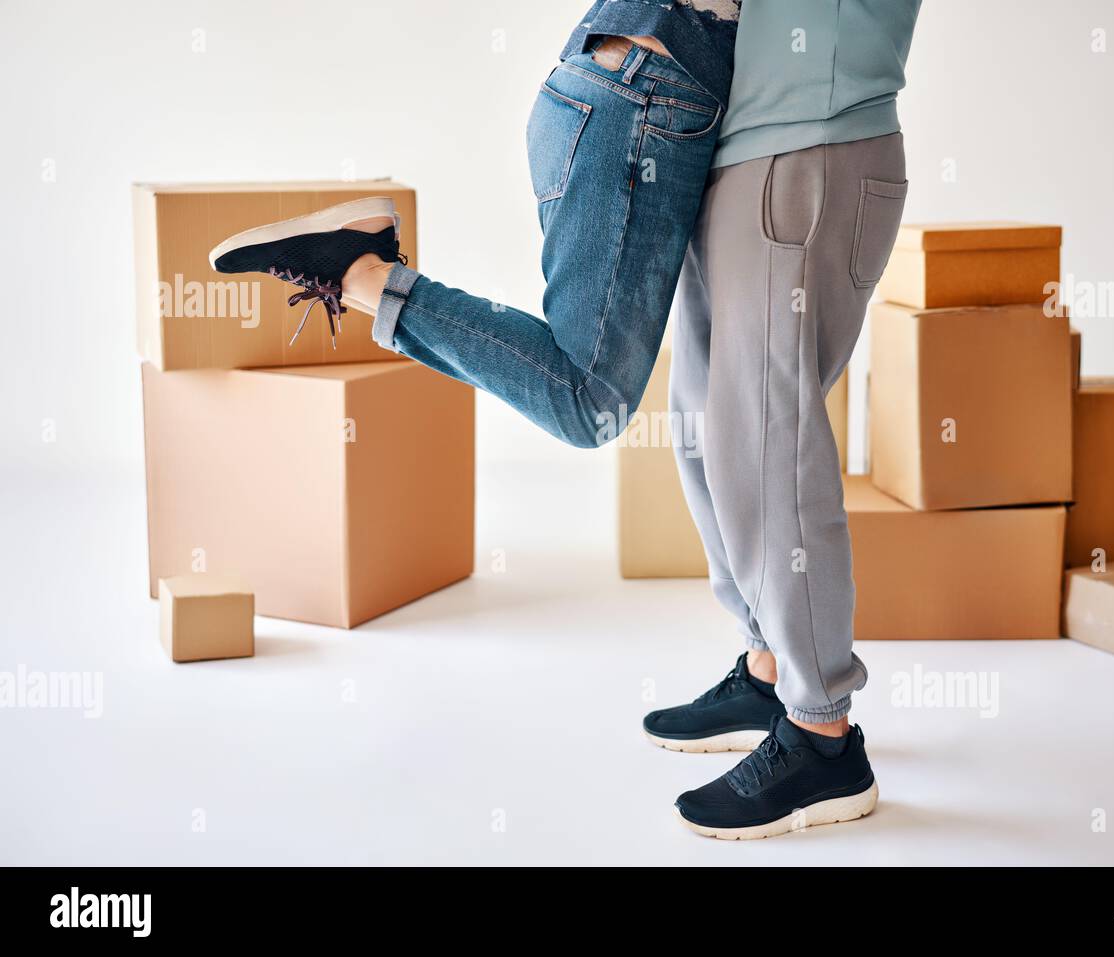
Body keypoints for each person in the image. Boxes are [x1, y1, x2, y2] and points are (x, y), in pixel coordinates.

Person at [209, 1, 742, 447]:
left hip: (614, 95)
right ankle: (356, 267)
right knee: (590, 402)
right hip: (644, 101)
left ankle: (362, 261)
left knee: (597, 396)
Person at [642, 0, 922, 839]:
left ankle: (821, 736)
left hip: (811, 140)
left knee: (769, 448)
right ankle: (770, 668)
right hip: (735, 145)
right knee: (702, 428)